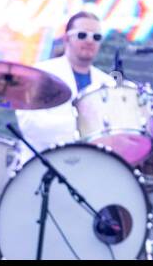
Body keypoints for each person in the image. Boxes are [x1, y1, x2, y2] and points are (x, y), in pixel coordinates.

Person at [14, 12, 117, 158]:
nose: (90, 41)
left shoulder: (108, 84)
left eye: (96, 37)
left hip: (90, 168)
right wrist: (83, 127)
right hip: (42, 164)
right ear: (67, 38)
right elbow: (29, 124)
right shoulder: (41, 73)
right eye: (82, 35)